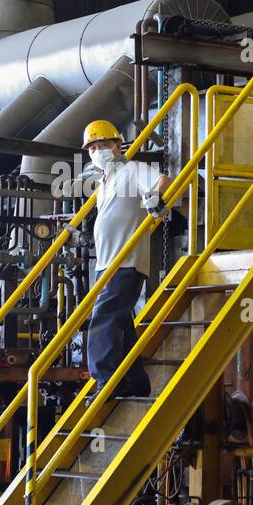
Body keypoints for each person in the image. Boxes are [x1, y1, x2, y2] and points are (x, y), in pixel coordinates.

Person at [81, 119, 173, 398]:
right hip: (106, 264)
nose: (98, 151)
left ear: (118, 145)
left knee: (104, 317)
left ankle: (105, 380)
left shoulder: (132, 169)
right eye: (93, 148)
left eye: (103, 145)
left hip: (126, 261)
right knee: (120, 324)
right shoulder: (104, 183)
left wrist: (156, 197)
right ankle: (136, 382)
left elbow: (164, 180)